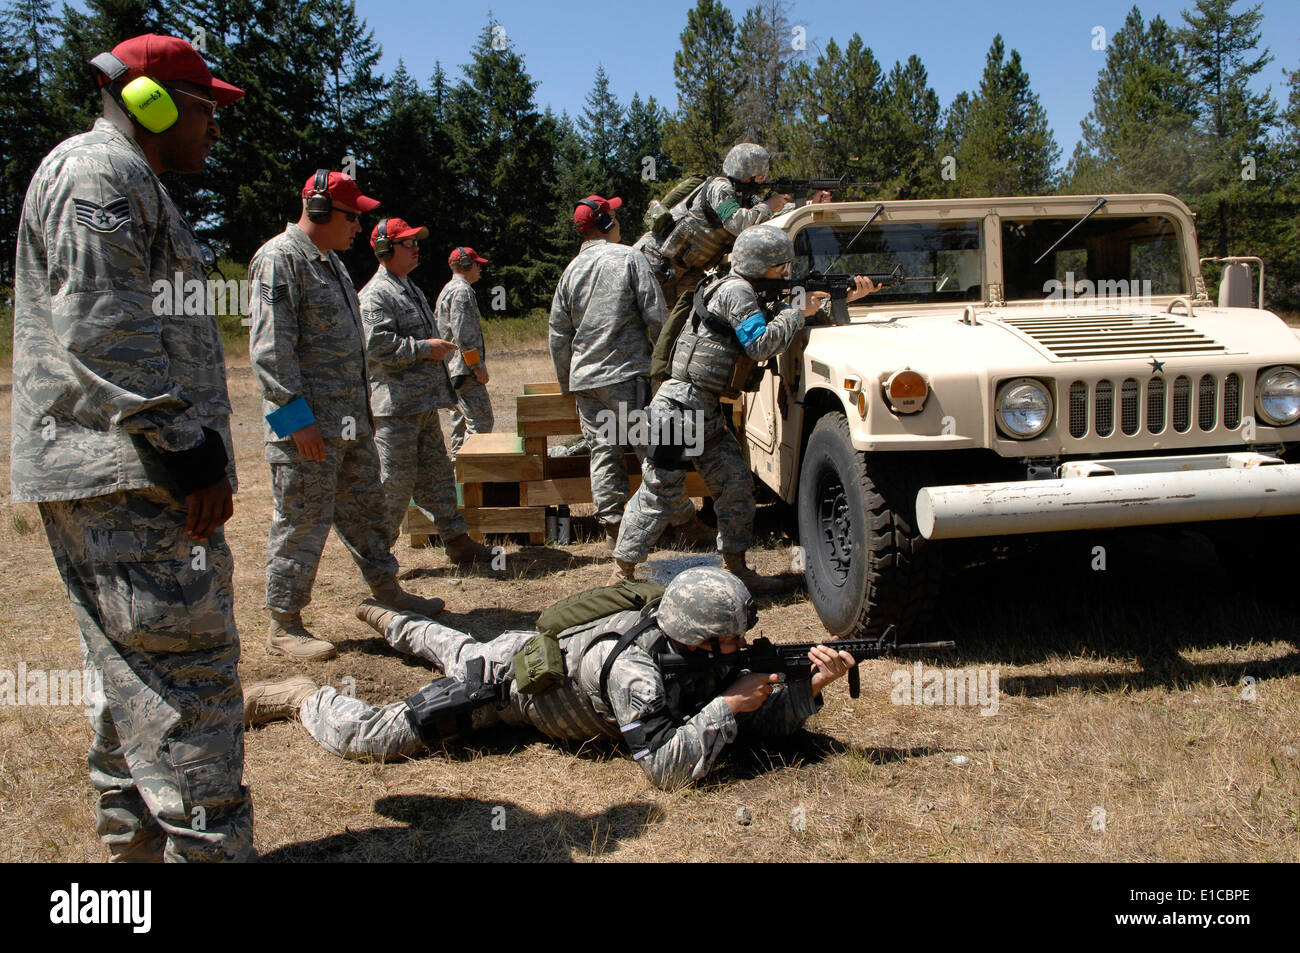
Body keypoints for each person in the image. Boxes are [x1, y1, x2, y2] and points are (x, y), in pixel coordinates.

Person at [10, 33, 253, 861]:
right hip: (135, 475)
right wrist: (186, 453)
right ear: (152, 102)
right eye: (205, 108)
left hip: (120, 469)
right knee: (190, 684)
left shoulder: (125, 177)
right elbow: (106, 330)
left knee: (134, 681)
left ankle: (135, 864)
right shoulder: (98, 173)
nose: (215, 126)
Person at [242, 567, 857, 790]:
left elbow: (749, 724)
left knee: (453, 642)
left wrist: (810, 687)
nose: (740, 648)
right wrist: (725, 705)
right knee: (380, 737)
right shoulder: (635, 673)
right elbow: (665, 770)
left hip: (520, 653)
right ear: (695, 634)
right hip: (504, 688)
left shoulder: (694, 651)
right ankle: (303, 698)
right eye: (730, 639)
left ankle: (390, 618)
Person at [613, 225, 878, 593]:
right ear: (760, 264)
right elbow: (759, 344)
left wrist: (837, 299)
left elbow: (776, 323)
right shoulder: (736, 292)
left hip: (702, 409)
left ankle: (735, 568)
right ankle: (622, 572)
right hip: (678, 408)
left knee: (736, 485)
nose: (786, 272)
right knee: (659, 490)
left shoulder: (741, 287)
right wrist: (797, 312)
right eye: (780, 267)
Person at [247, 170, 445, 663]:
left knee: (368, 514)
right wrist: (296, 421)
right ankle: (284, 623)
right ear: (318, 212)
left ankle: (388, 591)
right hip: (307, 428)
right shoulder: (280, 259)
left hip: (350, 424)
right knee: (301, 521)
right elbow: (271, 351)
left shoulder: (331, 265)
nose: (359, 227)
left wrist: (362, 414)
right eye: (352, 216)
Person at [549, 195, 710, 550]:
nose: (619, 222)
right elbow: (656, 317)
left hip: (587, 381)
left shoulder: (570, 271)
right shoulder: (630, 258)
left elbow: (558, 335)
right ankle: (684, 522)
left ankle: (614, 530)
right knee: (657, 450)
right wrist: (666, 368)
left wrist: (567, 382)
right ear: (606, 223)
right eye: (615, 216)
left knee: (603, 451)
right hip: (627, 376)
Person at [358, 217, 493, 565]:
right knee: (395, 486)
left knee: (438, 477)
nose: (416, 247)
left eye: (417, 242)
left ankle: (458, 541)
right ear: (385, 249)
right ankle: (377, 558)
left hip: (423, 403)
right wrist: (424, 348)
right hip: (396, 409)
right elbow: (376, 346)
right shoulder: (376, 294)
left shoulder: (410, 288)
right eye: (408, 242)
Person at [635, 143, 830, 380]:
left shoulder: (742, 197)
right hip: (654, 262)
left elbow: (769, 214)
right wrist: (769, 205)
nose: (763, 179)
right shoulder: (720, 188)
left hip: (683, 271)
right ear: (751, 174)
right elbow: (738, 222)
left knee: (683, 326)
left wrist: (808, 205)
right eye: (760, 175)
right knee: (646, 330)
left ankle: (672, 376)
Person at [436, 246, 493, 454]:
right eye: (478, 264)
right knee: (481, 422)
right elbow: (464, 333)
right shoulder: (462, 291)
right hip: (464, 370)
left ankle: (459, 477)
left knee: (461, 424)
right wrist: (476, 365)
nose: (480, 269)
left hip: (452, 370)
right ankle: (473, 478)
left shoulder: (447, 290)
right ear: (468, 265)